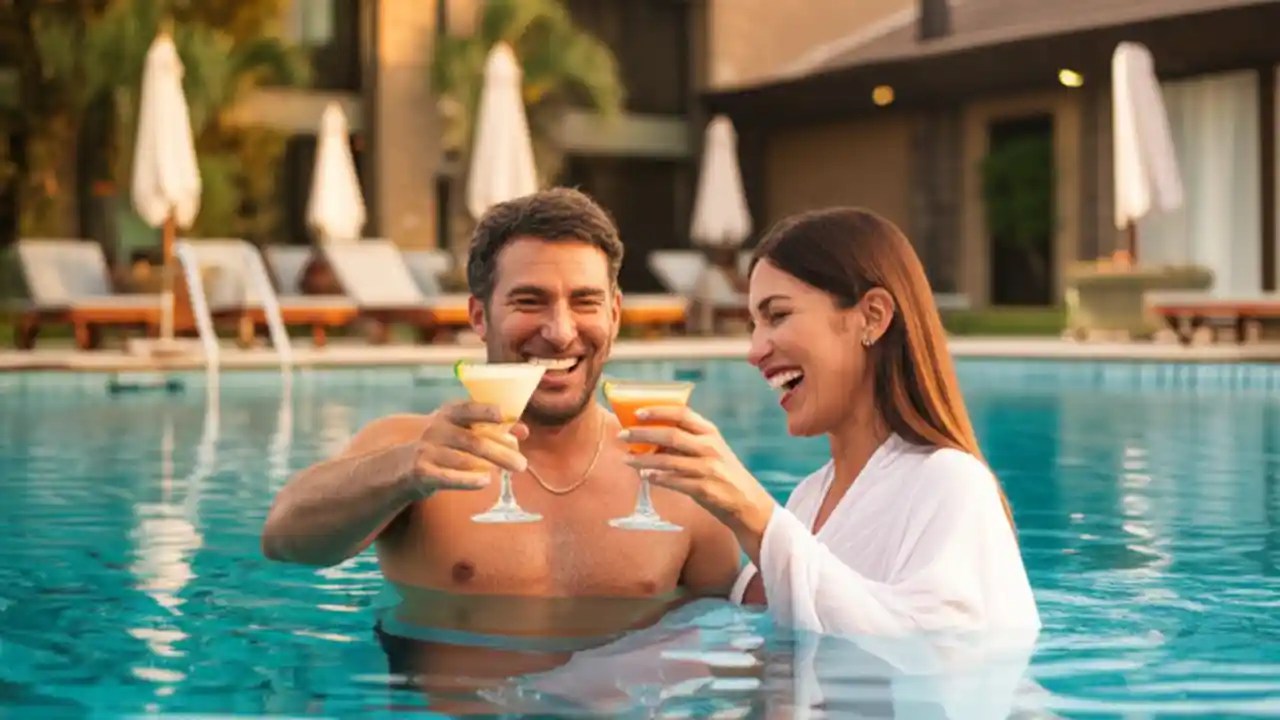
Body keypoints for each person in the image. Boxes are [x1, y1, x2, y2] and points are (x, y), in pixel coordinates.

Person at [260, 188, 740, 699]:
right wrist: (405, 471)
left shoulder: (675, 472)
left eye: (585, 302)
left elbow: (732, 639)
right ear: (478, 316)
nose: (559, 332)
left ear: (615, 314)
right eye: (529, 301)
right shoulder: (412, 448)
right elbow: (286, 541)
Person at [623, 207, 1041, 638]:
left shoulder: (950, 483)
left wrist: (754, 516)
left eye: (778, 315)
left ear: (873, 317)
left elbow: (937, 653)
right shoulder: (809, 498)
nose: (754, 350)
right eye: (753, 324)